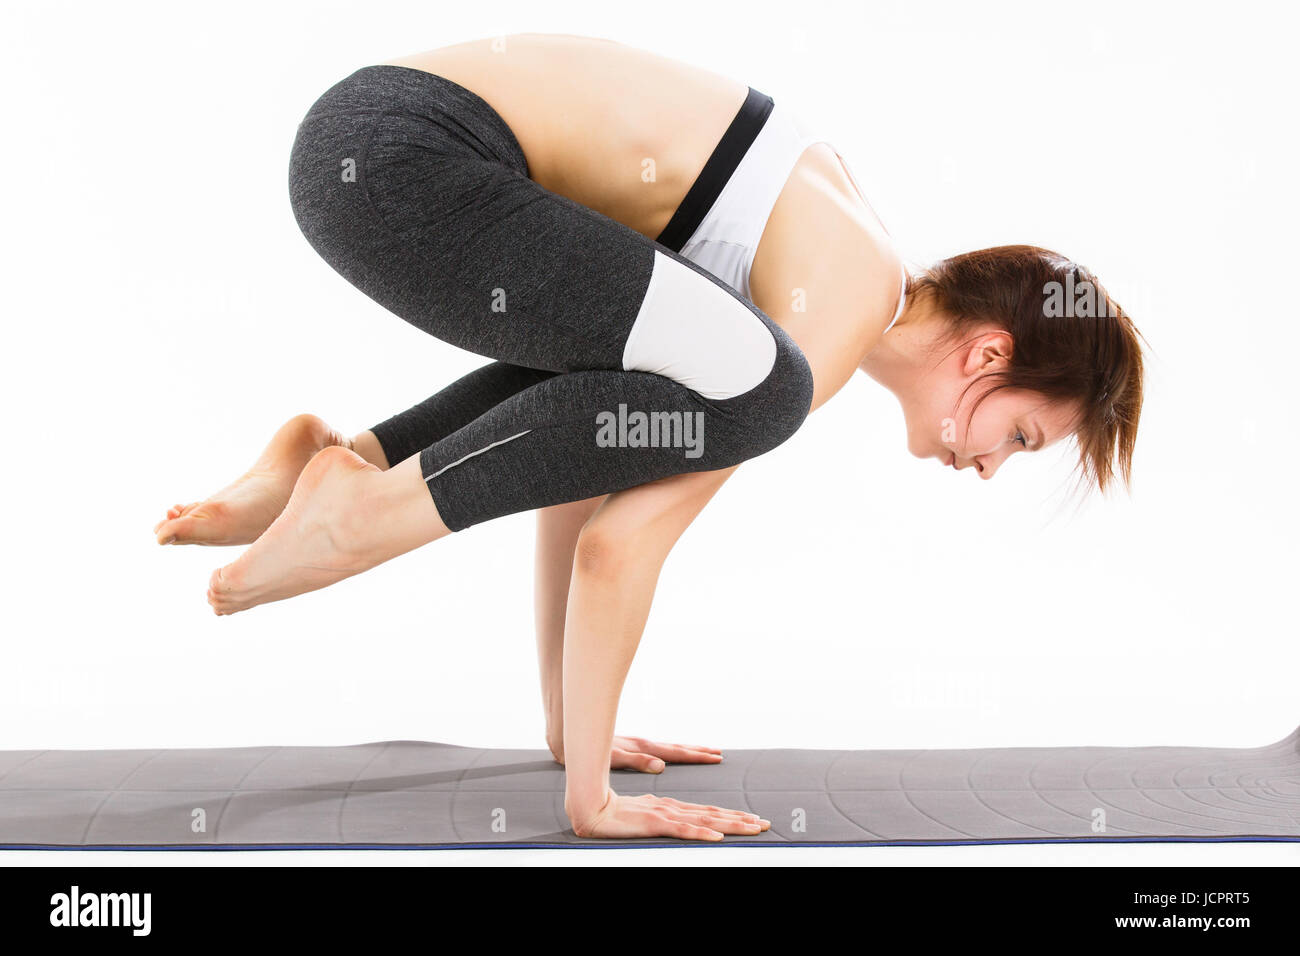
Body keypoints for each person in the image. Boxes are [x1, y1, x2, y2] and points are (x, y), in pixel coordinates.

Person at [153, 33, 1146, 841]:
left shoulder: (800, 276)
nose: (987, 467)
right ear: (985, 356)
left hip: (365, 149)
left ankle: (334, 463)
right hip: (409, 162)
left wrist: (564, 729)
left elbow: (578, 472)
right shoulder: (834, 306)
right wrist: (592, 799)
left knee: (667, 385)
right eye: (1018, 433)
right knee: (760, 392)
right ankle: (364, 511)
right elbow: (620, 545)